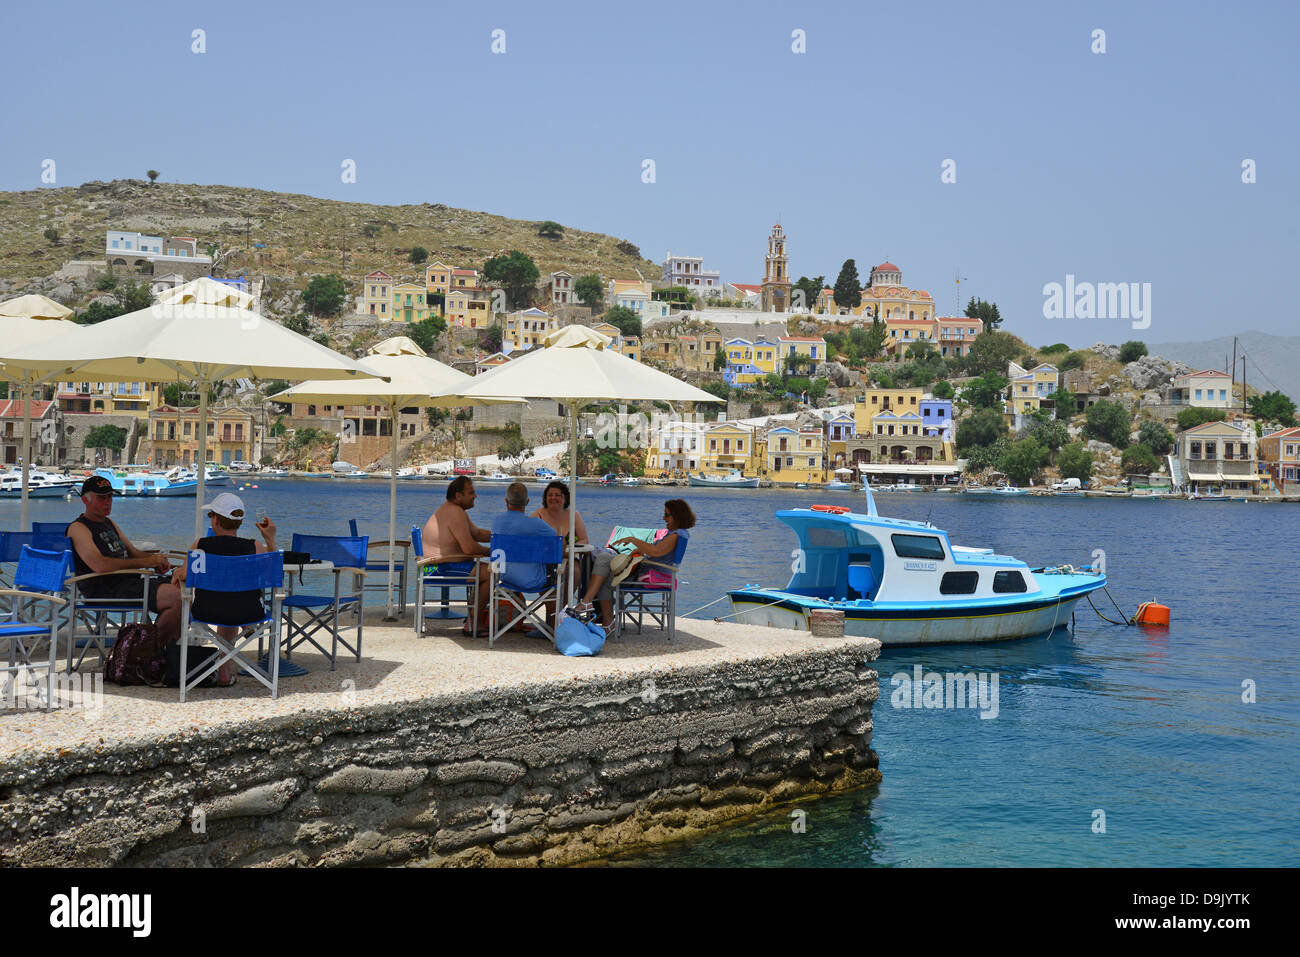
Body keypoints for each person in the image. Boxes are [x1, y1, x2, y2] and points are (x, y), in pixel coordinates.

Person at [170, 492, 277, 688]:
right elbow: (271, 572)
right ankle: (225, 669)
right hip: (249, 612)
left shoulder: (200, 546)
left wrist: (177, 572)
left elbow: (185, 574)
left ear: (216, 520)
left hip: (206, 611)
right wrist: (270, 539)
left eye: (210, 515)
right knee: (232, 602)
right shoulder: (255, 546)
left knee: (224, 602)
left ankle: (224, 671)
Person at [65, 474, 182, 646]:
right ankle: (148, 652)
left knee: (187, 591)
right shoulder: (78, 528)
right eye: (101, 498)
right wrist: (146, 563)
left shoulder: (109, 523)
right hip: (105, 590)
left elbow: (134, 553)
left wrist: (159, 562)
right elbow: (100, 565)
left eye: (110, 497)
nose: (107, 502)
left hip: (129, 584)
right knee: (178, 598)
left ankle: (156, 650)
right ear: (85, 500)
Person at [573, 498, 696, 634]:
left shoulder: (676, 535)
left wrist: (633, 540)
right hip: (647, 571)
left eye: (667, 515)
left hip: (649, 576)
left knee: (602, 564)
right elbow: (658, 552)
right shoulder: (677, 534)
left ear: (677, 516)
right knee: (603, 566)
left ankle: (590, 605)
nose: (664, 518)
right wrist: (640, 551)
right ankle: (598, 612)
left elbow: (656, 551)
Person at [421, 475, 492, 635]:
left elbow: (477, 533)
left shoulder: (454, 510)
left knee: (486, 570)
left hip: (432, 567)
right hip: (436, 569)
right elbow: (468, 547)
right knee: (491, 572)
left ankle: (472, 617)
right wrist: (493, 552)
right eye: (471, 492)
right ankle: (474, 622)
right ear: (458, 496)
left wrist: (501, 537)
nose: (475, 496)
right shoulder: (455, 512)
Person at [493, 484, 562, 634]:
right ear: (528, 501)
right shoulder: (536, 524)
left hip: (504, 579)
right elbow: (557, 539)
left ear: (506, 501)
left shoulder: (497, 522)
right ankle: (551, 627)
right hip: (534, 581)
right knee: (553, 578)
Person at [531, 480, 588, 544]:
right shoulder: (537, 516)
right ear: (545, 498)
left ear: (565, 498)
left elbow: (584, 540)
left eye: (557, 495)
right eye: (550, 495)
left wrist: (570, 549)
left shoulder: (574, 515)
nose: (553, 498)